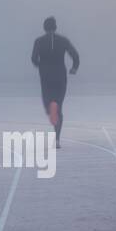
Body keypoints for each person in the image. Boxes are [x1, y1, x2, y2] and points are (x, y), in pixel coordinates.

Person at [30, 16, 79, 147]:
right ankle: (57, 139)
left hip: (46, 77)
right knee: (59, 107)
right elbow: (75, 55)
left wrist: (40, 65)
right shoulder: (63, 41)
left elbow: (34, 59)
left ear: (44, 27)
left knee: (48, 104)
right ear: (55, 27)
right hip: (60, 76)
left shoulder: (39, 42)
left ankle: (50, 107)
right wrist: (74, 68)